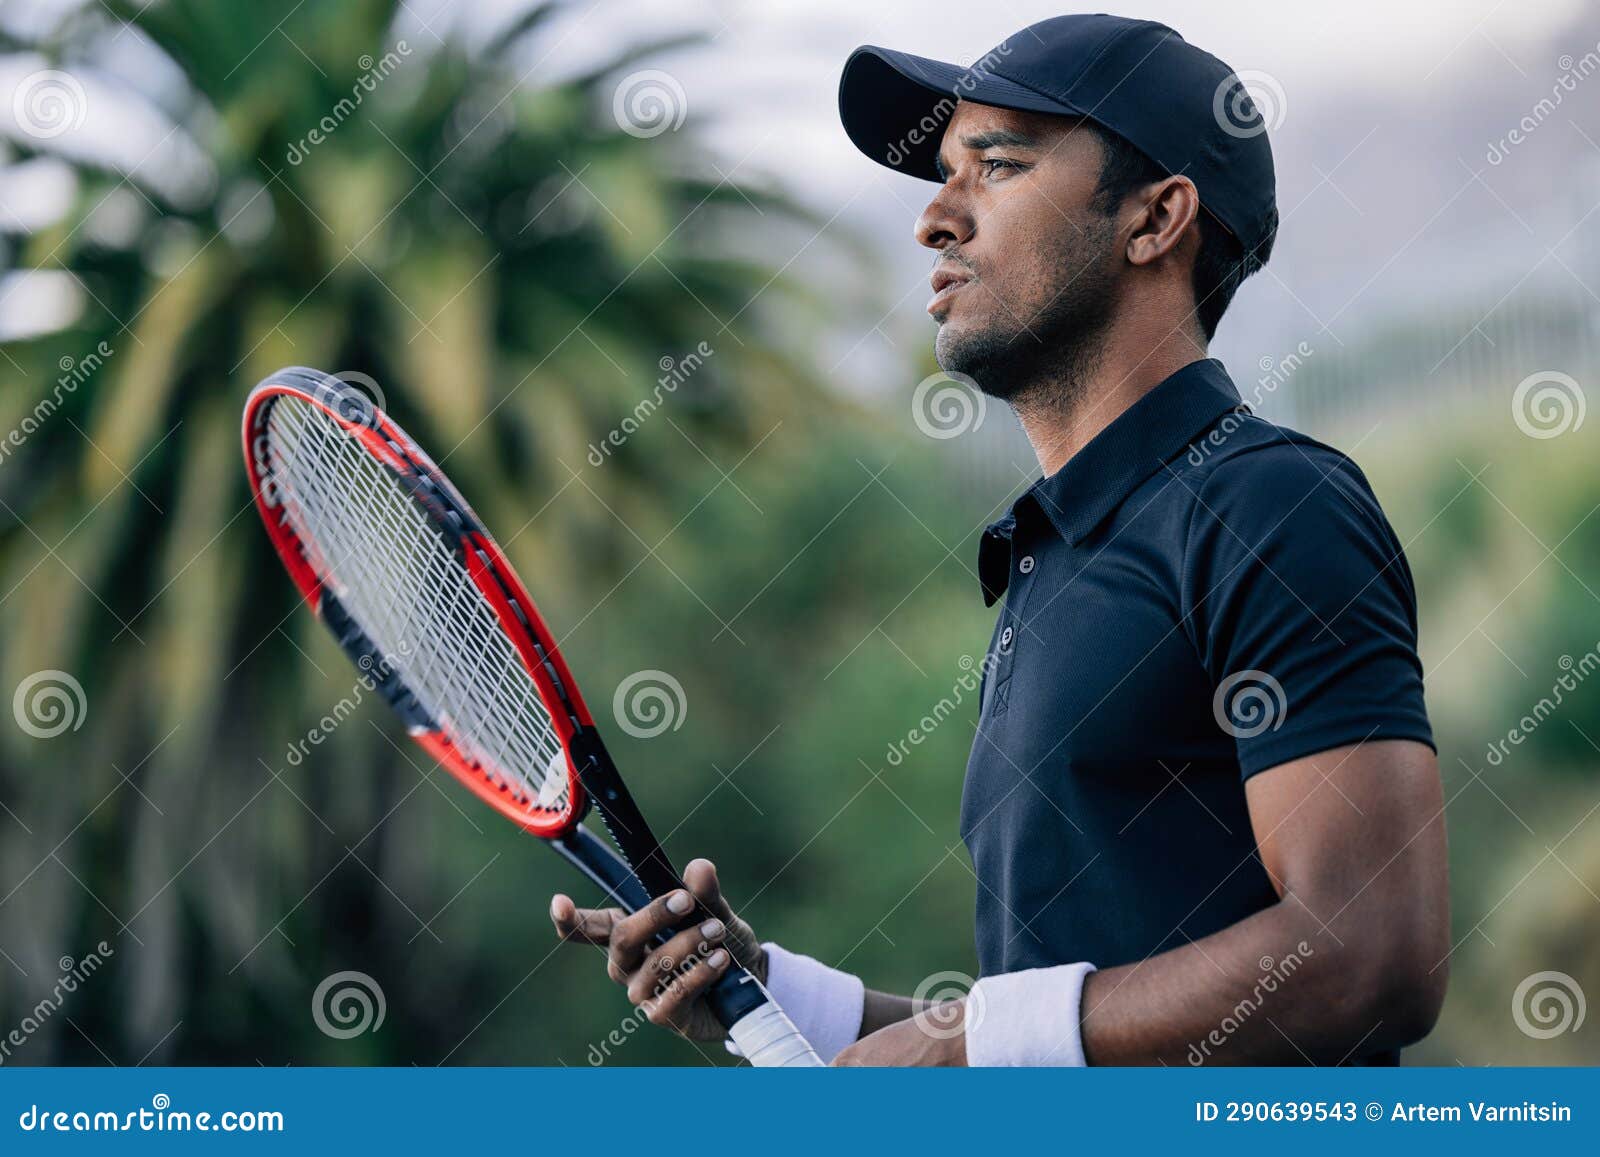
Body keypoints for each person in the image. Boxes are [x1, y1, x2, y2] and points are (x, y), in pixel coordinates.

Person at [550, 13, 1449, 1066]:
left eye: (997, 165)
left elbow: (1371, 954)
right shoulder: (1050, 556)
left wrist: (969, 1038)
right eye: (941, 174)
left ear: (1155, 218)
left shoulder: (1270, 508)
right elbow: (1070, 1022)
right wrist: (772, 993)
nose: (935, 219)